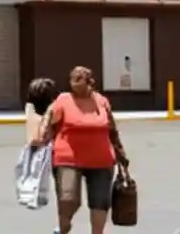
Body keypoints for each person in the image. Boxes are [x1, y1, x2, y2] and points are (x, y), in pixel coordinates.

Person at [32, 66, 129, 234]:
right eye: (73, 77)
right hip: (68, 160)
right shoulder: (63, 100)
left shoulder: (101, 102)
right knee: (68, 199)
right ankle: (63, 227)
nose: (75, 79)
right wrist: (41, 137)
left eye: (80, 76)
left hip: (101, 160)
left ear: (89, 81)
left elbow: (112, 129)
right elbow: (48, 121)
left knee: (100, 202)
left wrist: (121, 155)